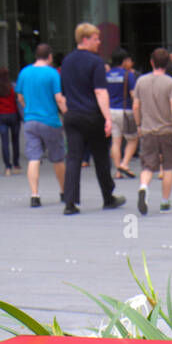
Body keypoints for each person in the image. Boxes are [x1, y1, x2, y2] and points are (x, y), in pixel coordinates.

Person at [58, 23, 125, 214]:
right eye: (96, 38)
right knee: (101, 157)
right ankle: (108, 196)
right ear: (85, 39)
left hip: (72, 115)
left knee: (73, 158)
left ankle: (70, 202)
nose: (99, 42)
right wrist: (108, 118)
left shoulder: (67, 61)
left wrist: (66, 111)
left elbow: (63, 92)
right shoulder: (96, 62)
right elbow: (100, 92)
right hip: (92, 115)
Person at [132, 47, 172, 215]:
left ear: (151, 62)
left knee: (147, 166)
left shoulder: (141, 81)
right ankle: (165, 203)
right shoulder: (171, 83)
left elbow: (136, 105)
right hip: (166, 130)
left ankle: (143, 187)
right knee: (168, 167)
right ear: (167, 63)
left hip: (148, 130)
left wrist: (139, 125)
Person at [16, 43, 66, 207]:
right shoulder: (52, 73)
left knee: (34, 158)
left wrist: (28, 108)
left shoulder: (24, 72)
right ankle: (63, 191)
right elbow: (58, 97)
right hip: (50, 120)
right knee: (57, 158)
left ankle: (34, 195)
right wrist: (66, 111)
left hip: (30, 120)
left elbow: (20, 97)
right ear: (50, 56)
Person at [106, 50, 138, 179]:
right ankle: (124, 164)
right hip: (126, 110)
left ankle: (118, 171)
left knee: (116, 141)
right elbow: (133, 94)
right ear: (124, 61)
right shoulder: (127, 75)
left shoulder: (106, 75)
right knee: (133, 139)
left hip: (111, 110)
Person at [0, 67, 21, 176]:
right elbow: (19, 99)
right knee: (15, 140)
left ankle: (7, 167)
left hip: (1, 116)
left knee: (4, 142)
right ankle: (16, 164)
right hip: (14, 115)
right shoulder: (13, 86)